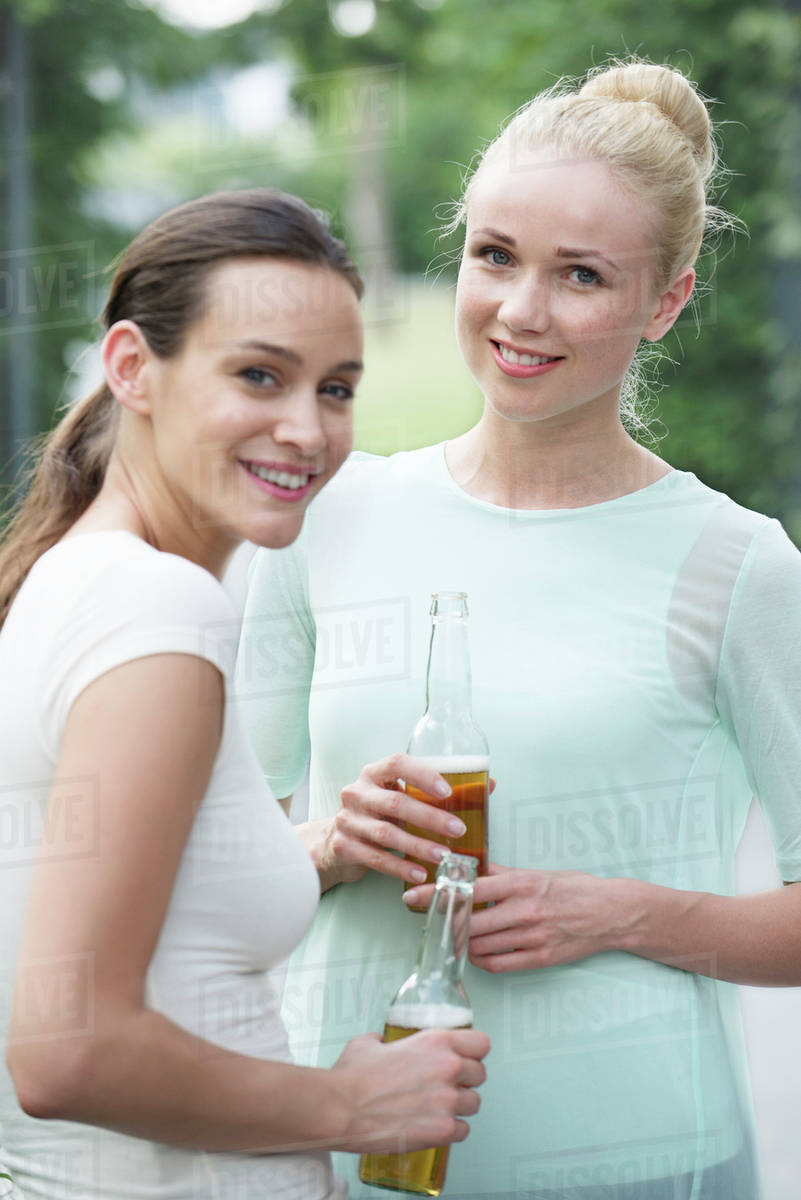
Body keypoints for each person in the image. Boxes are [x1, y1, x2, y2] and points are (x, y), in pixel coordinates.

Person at [235, 62, 801, 1200]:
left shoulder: (738, 565)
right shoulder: (326, 518)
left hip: (645, 1168)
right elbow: (207, 875)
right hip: (344, 1163)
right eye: (495, 256)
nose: (521, 311)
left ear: (667, 302)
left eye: (582, 275)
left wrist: (628, 911)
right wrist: (333, 847)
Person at [0, 189, 490, 1199]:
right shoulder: (163, 611)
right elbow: (64, 1052)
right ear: (133, 368)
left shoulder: (80, 578)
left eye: (338, 388)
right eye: (259, 375)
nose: (306, 429)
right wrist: (357, 1105)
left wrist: (318, 848)